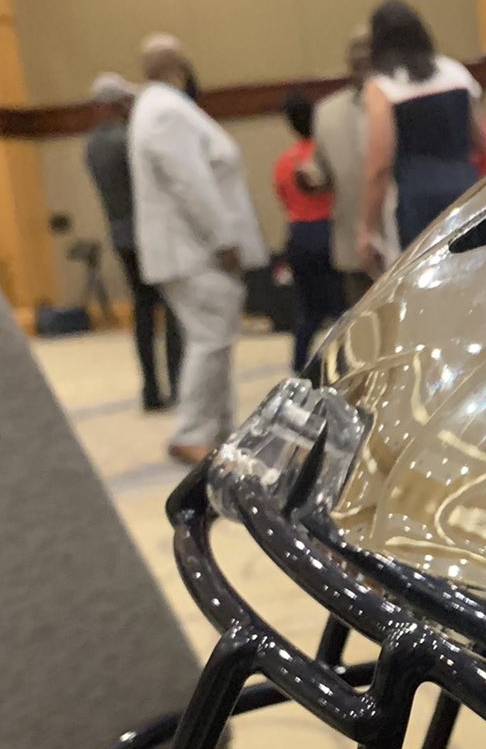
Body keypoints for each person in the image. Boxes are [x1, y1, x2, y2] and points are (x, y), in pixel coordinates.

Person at [128, 33, 268, 463]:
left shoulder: (154, 109)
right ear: (181, 68)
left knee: (214, 338)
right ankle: (192, 431)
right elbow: (192, 183)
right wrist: (223, 238)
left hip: (188, 250)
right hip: (196, 251)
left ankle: (219, 430)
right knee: (210, 340)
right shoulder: (168, 111)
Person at [360, 0, 486, 275]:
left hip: (414, 199)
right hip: (467, 190)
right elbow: (481, 140)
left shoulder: (382, 87)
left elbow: (380, 164)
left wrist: (367, 228)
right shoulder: (456, 73)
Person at [84, 71, 183, 410]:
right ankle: (178, 383)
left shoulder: (92, 145)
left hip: (119, 235)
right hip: (147, 234)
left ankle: (150, 390)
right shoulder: (128, 139)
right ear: (115, 104)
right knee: (171, 307)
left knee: (142, 311)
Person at [274, 91, 341, 377]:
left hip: (299, 235)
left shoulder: (283, 162)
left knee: (309, 310)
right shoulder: (327, 154)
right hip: (329, 230)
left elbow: (284, 199)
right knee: (341, 306)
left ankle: (298, 367)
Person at [311, 25, 374, 308]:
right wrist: (309, 177)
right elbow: (322, 170)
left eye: (367, 47)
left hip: (406, 239)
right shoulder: (327, 112)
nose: (360, 56)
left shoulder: (405, 101)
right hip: (352, 239)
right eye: (354, 49)